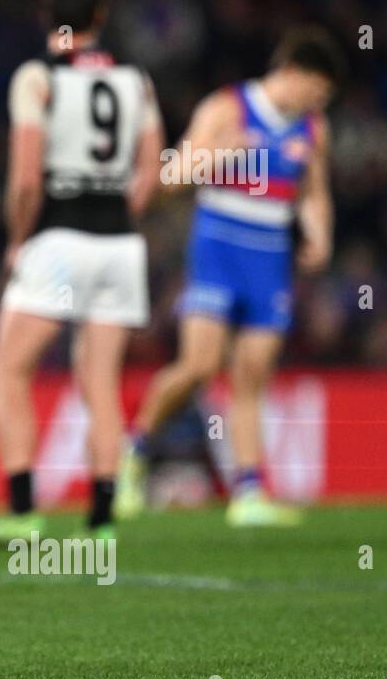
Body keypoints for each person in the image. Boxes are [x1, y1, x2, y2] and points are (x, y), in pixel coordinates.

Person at [0, 0, 162, 549]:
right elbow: (151, 166)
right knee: (99, 380)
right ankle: (100, 523)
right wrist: (123, 217)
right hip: (121, 243)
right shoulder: (136, 78)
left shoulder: (37, 76)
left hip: (60, 236)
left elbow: (26, 177)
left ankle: (24, 512)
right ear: (101, 16)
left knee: (8, 371)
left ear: (45, 15)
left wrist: (20, 237)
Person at [115, 27, 341, 527]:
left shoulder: (313, 128)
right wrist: (219, 155)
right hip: (218, 251)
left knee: (252, 375)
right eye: (317, 90)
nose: (317, 102)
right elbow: (169, 178)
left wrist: (319, 235)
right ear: (294, 74)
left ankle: (248, 493)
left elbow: (315, 191)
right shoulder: (228, 108)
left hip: (270, 260)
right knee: (199, 367)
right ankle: (133, 452)